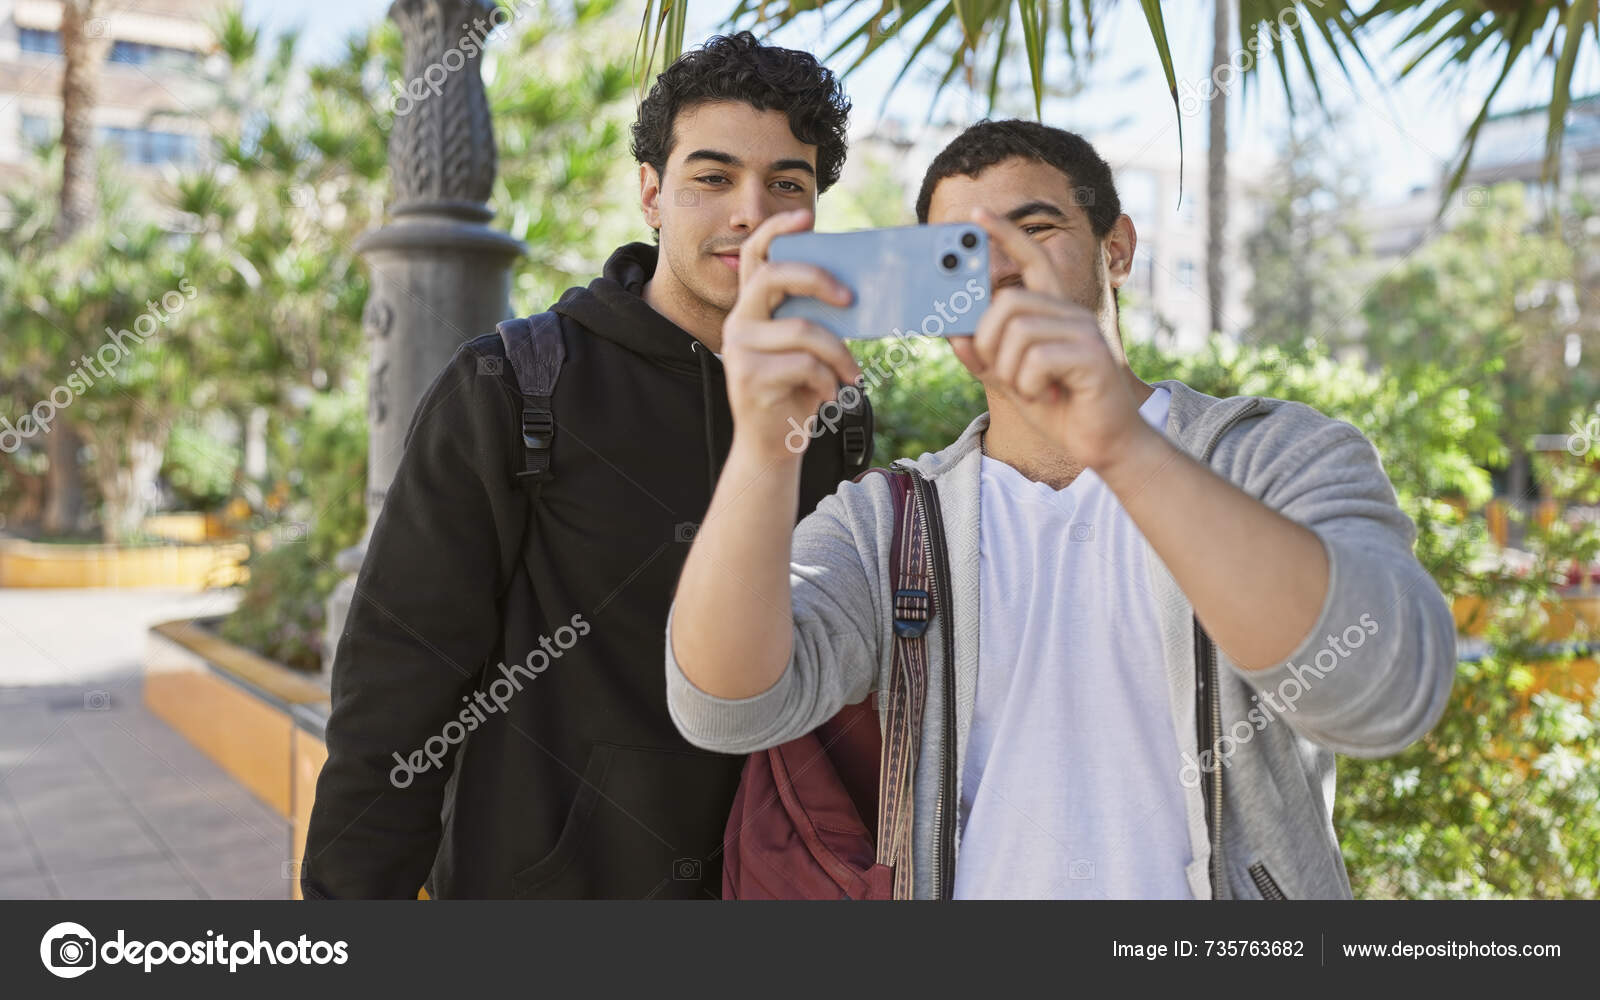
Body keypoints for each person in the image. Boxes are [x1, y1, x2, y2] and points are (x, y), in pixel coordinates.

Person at [664, 119, 1456, 899]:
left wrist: (1118, 439)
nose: (999, 268)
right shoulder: (892, 521)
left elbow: (1388, 694)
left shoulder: (1273, 455)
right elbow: (728, 709)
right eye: (961, 253)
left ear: (1117, 249)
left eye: (1034, 228)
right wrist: (765, 449)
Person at [303, 32, 869, 900]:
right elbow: (395, 689)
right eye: (712, 178)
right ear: (652, 192)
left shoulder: (831, 403)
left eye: (786, 184)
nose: (751, 213)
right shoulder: (514, 383)